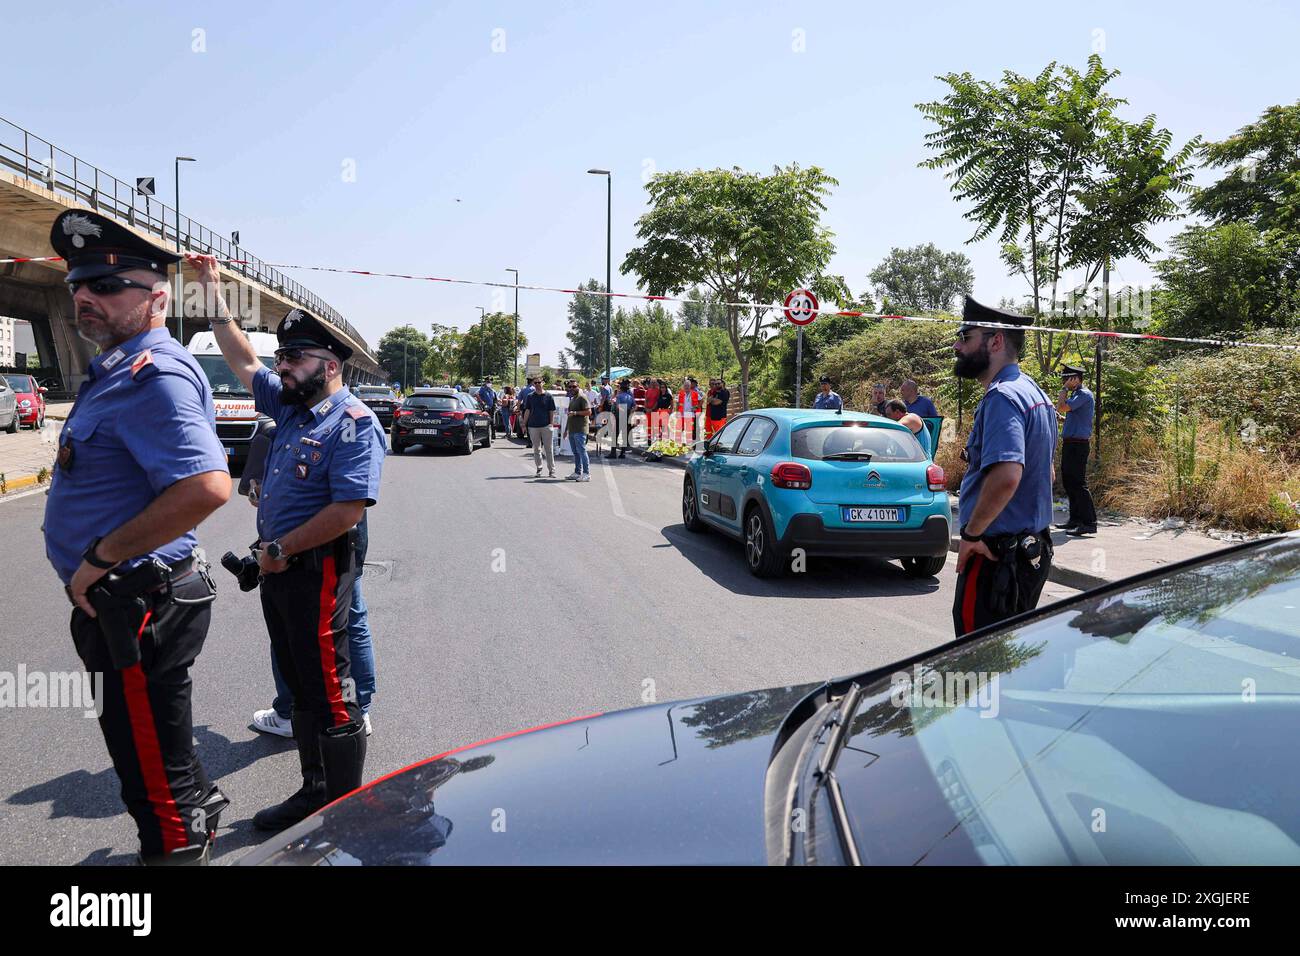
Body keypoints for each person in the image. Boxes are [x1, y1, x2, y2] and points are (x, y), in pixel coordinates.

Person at [43, 210, 232, 865]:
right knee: (159, 741)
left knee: (146, 770)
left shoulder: (155, 377)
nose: (86, 297)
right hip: (129, 596)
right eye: (77, 285)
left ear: (157, 297)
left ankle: (176, 850)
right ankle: (199, 812)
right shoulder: (116, 368)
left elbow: (207, 486)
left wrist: (99, 557)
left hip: (135, 602)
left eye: (106, 284)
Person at [200, 264, 384, 834]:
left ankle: (343, 813)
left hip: (318, 568)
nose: (281, 368)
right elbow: (242, 359)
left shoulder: (353, 423)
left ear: (328, 366)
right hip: (278, 567)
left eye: (294, 360)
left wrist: (280, 546)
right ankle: (315, 792)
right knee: (302, 682)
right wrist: (214, 294)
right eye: (283, 359)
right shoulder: (288, 405)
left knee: (329, 686)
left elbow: (347, 511)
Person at [951, 296, 1056, 638]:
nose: (957, 345)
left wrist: (972, 534)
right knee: (1007, 663)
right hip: (1029, 554)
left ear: (995, 341)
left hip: (996, 558)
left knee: (974, 666)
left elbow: (1008, 475)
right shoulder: (1035, 393)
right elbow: (1047, 474)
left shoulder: (1002, 397)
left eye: (966, 337)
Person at [1055, 363, 1098, 535]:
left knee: (1079, 483)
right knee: (1069, 482)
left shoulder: (1084, 394)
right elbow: (1076, 417)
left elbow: (1062, 406)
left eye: (1067, 378)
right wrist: (1063, 419)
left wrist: (1064, 390)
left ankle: (1089, 523)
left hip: (1078, 445)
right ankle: (1075, 519)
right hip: (1070, 442)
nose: (1064, 381)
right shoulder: (1077, 395)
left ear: (1075, 379)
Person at [521, 376, 557, 477]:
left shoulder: (549, 396)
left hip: (546, 426)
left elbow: (551, 411)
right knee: (536, 449)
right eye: (535, 383)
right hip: (533, 426)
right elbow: (527, 410)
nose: (537, 385)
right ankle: (539, 468)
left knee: (549, 449)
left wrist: (551, 423)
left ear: (543, 383)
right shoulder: (530, 396)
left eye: (538, 382)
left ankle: (551, 470)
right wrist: (524, 423)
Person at [564, 380, 592, 481]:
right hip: (572, 429)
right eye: (570, 387)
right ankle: (577, 472)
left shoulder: (582, 397)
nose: (571, 388)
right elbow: (569, 415)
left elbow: (589, 412)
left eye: (573, 387)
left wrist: (575, 413)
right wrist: (566, 430)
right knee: (575, 452)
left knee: (582, 451)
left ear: (578, 386)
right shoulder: (572, 399)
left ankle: (586, 473)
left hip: (580, 429)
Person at [608, 379, 636, 458]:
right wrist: (629, 412)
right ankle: (622, 453)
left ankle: (613, 453)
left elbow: (618, 406)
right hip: (627, 415)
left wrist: (623, 411)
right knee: (624, 435)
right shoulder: (630, 397)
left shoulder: (618, 396)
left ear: (621, 389)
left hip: (619, 416)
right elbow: (635, 406)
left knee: (615, 435)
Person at [677, 377, 701, 441]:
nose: (686, 387)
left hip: (690, 414)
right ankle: (681, 442)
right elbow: (678, 403)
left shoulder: (695, 393)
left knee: (689, 429)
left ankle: (689, 442)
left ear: (690, 386)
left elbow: (701, 400)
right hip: (682, 413)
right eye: (685, 385)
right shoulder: (681, 393)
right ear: (683, 386)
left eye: (688, 385)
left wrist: (696, 407)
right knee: (680, 428)